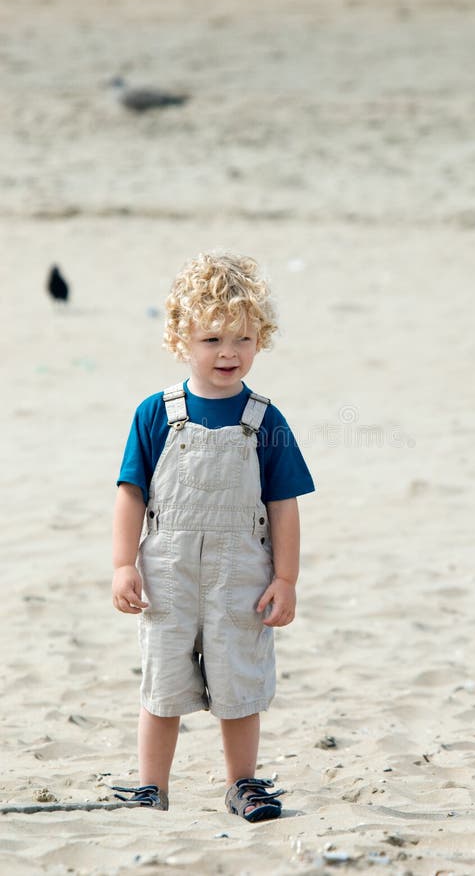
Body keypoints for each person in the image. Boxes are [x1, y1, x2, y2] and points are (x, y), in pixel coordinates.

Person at [111, 252, 314, 822]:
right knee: (163, 681)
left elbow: (283, 503)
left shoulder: (265, 420)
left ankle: (242, 782)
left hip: (241, 576)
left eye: (244, 339)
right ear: (181, 338)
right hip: (167, 574)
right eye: (213, 339)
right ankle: (152, 786)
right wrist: (123, 564)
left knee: (237, 680)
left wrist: (287, 578)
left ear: (261, 340)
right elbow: (130, 493)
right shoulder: (156, 413)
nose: (229, 353)